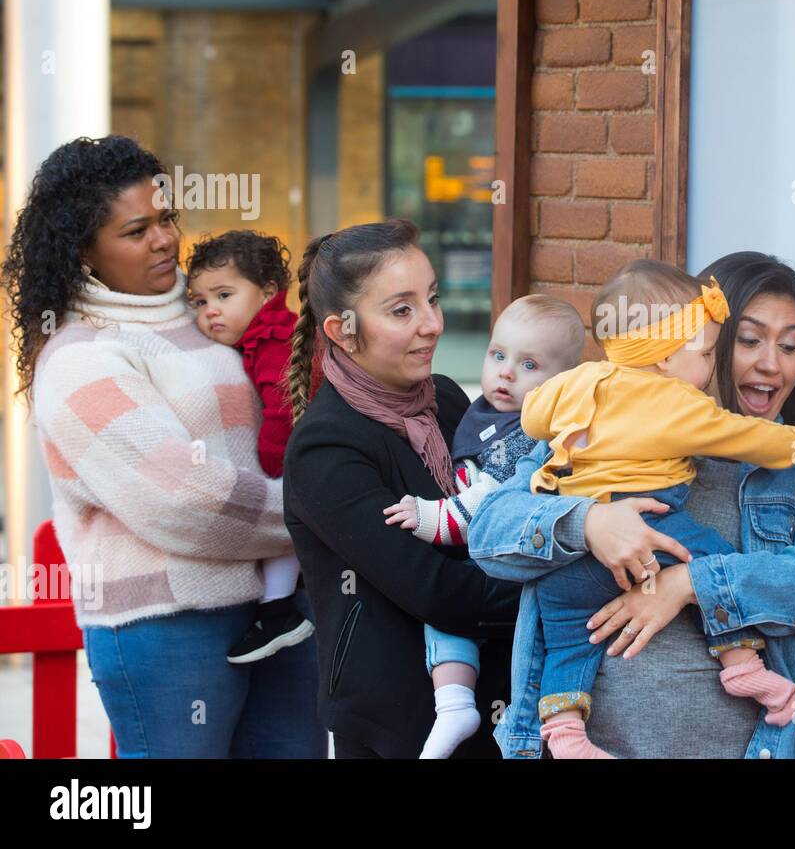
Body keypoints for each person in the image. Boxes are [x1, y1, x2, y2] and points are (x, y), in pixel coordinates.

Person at [471, 251, 795, 759]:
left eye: (790, 346)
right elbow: (487, 533)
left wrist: (689, 584)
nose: (771, 363)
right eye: (749, 340)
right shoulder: (593, 430)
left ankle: (742, 668)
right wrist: (589, 522)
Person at [4, 135, 324, 757]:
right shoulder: (79, 356)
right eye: (136, 231)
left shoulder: (214, 306)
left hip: (280, 605)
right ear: (83, 250)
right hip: (166, 625)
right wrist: (321, 511)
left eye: (166, 217)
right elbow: (184, 499)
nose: (164, 240)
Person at [281, 220, 521, 758]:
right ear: (343, 332)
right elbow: (435, 589)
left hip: (497, 704)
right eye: (401, 310)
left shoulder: (447, 400)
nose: (433, 324)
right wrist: (566, 588)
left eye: (432, 299)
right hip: (400, 727)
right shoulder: (325, 448)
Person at [380, 293, 585, 758]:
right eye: (498, 355)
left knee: (448, 608)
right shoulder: (486, 414)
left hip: (512, 557)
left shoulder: (532, 435)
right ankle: (454, 704)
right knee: (447, 614)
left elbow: (486, 504)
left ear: (563, 383)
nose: (506, 372)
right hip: (488, 557)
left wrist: (429, 516)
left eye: (529, 365)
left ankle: (457, 705)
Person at [186, 230, 314, 663]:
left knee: (289, 526)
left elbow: (283, 404)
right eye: (200, 301)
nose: (211, 310)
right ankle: (278, 610)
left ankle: (278, 612)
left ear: (268, 292)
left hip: (299, 457)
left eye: (224, 295)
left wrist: (272, 463)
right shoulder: (258, 336)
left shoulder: (275, 338)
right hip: (302, 457)